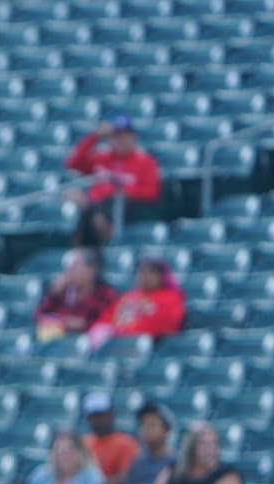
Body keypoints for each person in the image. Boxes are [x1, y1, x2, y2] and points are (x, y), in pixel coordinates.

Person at [63, 115, 161, 247]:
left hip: (123, 210)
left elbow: (151, 193)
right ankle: (77, 252)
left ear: (134, 137)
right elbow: (73, 163)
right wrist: (94, 136)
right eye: (117, 136)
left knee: (101, 212)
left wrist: (119, 190)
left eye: (125, 135)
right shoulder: (102, 157)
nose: (121, 140)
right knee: (75, 198)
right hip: (95, 207)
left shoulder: (145, 162)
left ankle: (107, 248)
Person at [87, 257, 185, 349]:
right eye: (141, 271)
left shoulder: (171, 298)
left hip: (153, 348)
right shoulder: (129, 297)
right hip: (120, 346)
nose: (145, 276)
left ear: (161, 276)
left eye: (151, 272)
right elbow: (106, 320)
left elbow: (163, 326)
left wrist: (122, 331)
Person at [33, 247, 117, 343]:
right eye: (68, 268)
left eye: (75, 267)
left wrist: (83, 324)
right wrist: (53, 295)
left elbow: (105, 325)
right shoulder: (60, 291)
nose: (70, 272)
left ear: (93, 270)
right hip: (60, 341)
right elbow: (38, 316)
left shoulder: (106, 294)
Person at [81, 392, 139, 484]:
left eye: (101, 415)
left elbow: (126, 477)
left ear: (112, 415)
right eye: (94, 416)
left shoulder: (126, 443)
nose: (98, 420)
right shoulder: (83, 442)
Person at [123, 402, 175, 484]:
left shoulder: (177, 463)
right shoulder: (137, 464)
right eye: (142, 425)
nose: (146, 429)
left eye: (152, 425)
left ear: (166, 430)